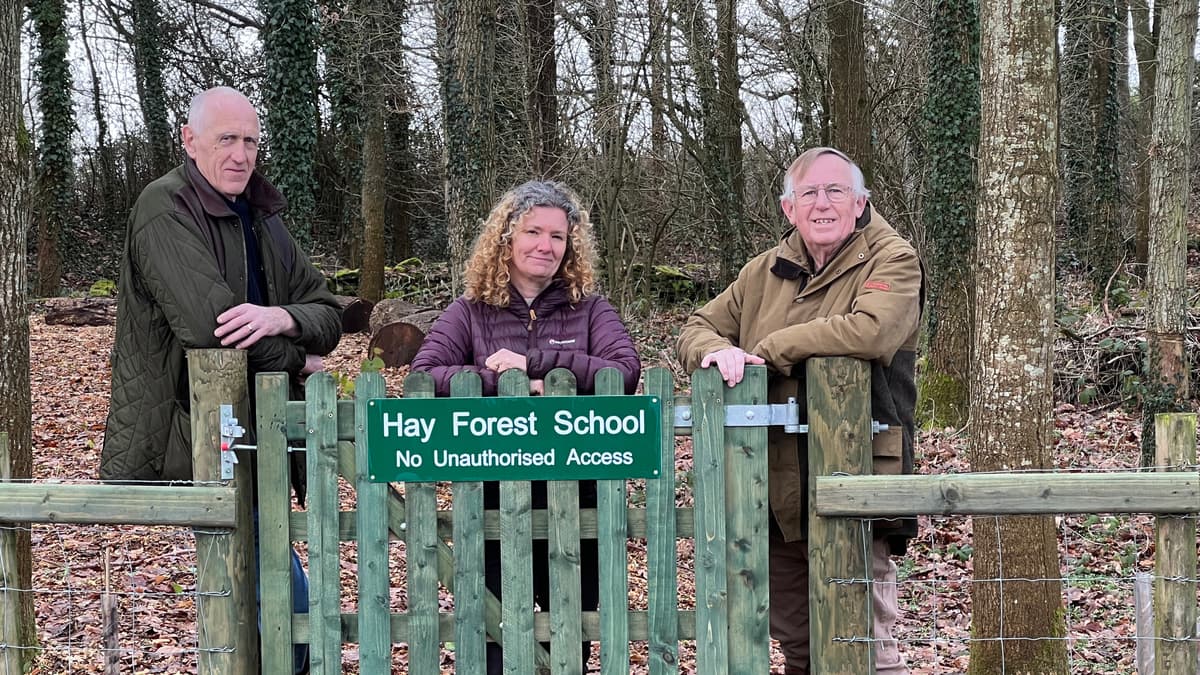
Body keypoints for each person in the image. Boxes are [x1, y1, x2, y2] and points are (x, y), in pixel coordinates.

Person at [101, 86, 342, 675]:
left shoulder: (260, 218)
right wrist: (296, 358)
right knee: (272, 587)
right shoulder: (164, 209)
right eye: (226, 140)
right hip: (198, 433)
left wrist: (281, 316)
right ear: (189, 140)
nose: (240, 154)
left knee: (262, 585)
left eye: (251, 141)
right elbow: (213, 328)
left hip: (261, 432)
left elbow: (328, 314)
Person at [675, 147, 920, 674]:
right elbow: (698, 325)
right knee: (802, 650)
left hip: (859, 480)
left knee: (865, 648)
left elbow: (871, 330)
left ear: (860, 203)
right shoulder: (763, 272)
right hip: (775, 486)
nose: (822, 203)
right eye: (808, 193)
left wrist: (773, 347)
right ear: (789, 209)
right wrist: (715, 351)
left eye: (836, 191)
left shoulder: (892, 259)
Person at [411, 180, 641, 673]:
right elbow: (423, 375)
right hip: (493, 496)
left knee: (570, 632)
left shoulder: (591, 309)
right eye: (533, 232)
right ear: (506, 239)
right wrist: (504, 381)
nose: (546, 245)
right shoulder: (470, 312)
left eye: (558, 236)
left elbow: (623, 371)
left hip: (578, 495)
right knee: (497, 628)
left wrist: (536, 366)